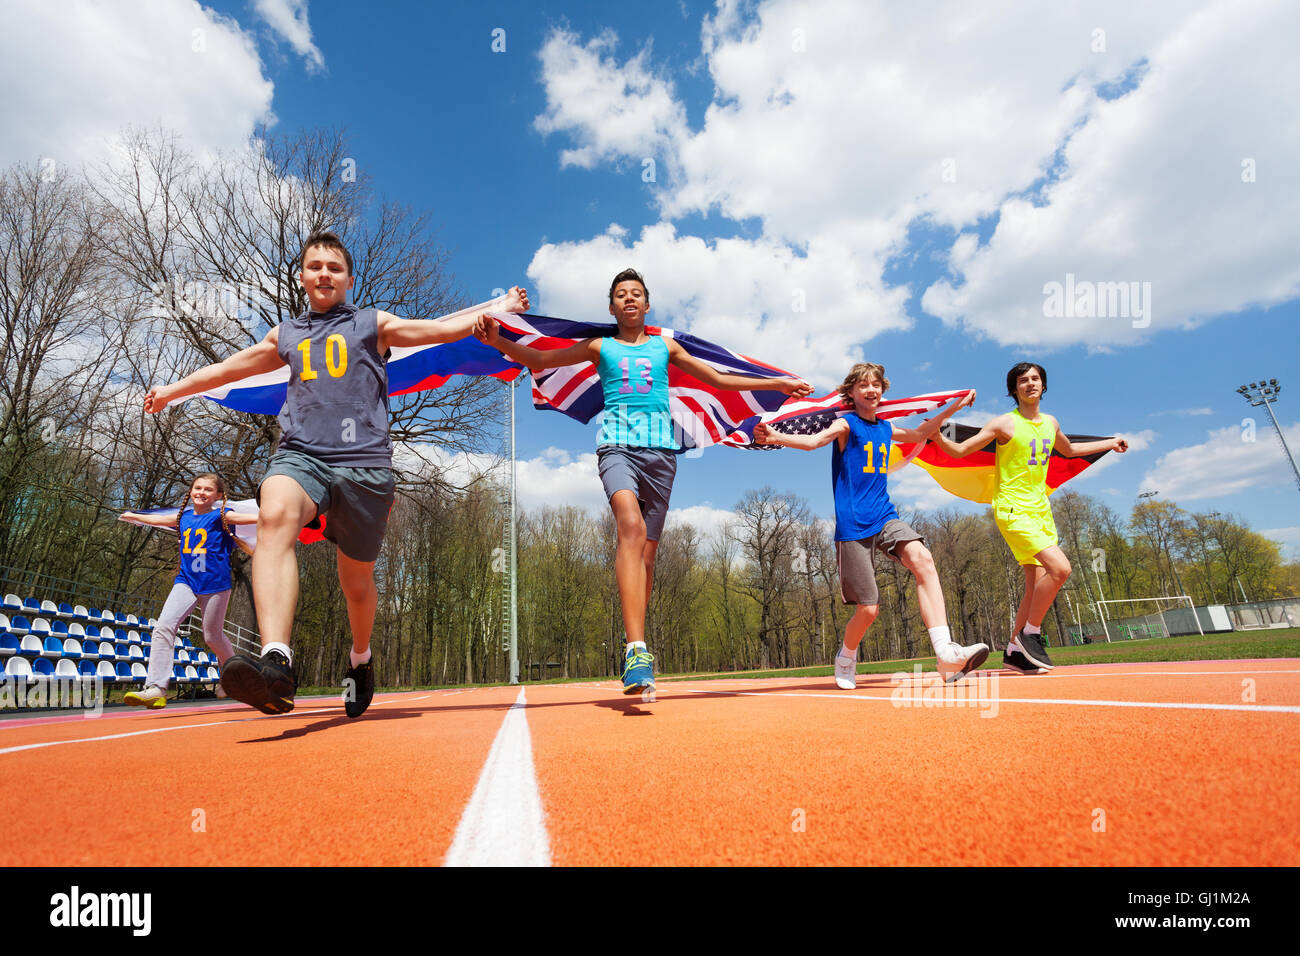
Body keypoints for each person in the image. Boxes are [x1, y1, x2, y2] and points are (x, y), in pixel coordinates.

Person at [144, 230, 529, 715]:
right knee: (274, 512)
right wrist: (172, 390)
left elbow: (437, 329)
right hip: (302, 455)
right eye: (314, 266)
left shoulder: (372, 324)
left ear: (348, 279)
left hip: (365, 467)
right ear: (302, 277)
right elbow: (228, 370)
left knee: (356, 584)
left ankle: (361, 658)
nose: (324, 273)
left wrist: (499, 308)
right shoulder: (284, 335)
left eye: (334, 267)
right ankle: (277, 658)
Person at [475, 268, 810, 699]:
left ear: (647, 305)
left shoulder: (664, 347)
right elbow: (541, 361)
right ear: (611, 307)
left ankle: (636, 640)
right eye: (620, 294)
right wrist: (498, 342)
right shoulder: (601, 346)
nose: (629, 299)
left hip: (661, 455)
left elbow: (719, 380)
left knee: (648, 558)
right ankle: (637, 649)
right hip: (616, 447)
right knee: (629, 529)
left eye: (636, 294)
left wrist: (777, 383)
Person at [755, 362, 989, 687]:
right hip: (853, 524)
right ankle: (847, 656)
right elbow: (812, 443)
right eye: (864, 385)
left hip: (884, 515)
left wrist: (956, 406)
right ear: (851, 392)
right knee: (869, 609)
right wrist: (775, 435)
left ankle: (945, 654)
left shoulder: (886, 428)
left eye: (876, 384)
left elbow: (923, 434)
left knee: (923, 560)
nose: (872, 389)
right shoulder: (845, 425)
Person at [927, 361, 1128, 672]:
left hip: (1040, 511)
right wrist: (938, 438)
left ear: (1043, 386)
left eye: (1036, 379)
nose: (1030, 383)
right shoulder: (1003, 424)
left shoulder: (1051, 423)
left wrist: (1111, 442)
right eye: (1023, 380)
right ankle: (1030, 634)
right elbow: (961, 451)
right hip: (1012, 509)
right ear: (1014, 389)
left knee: (1034, 583)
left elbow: (1071, 450)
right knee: (1060, 569)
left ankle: (1013, 651)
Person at [120, 474, 257, 708]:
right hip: (187, 581)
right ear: (191, 491)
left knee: (212, 636)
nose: (201, 492)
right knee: (163, 626)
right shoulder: (182, 518)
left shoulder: (222, 515)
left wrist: (286, 514)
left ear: (219, 496)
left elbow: (253, 518)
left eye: (208, 489)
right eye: (197, 488)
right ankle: (155, 687)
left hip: (215, 585)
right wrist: (134, 516)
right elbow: (159, 520)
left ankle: (233, 679)